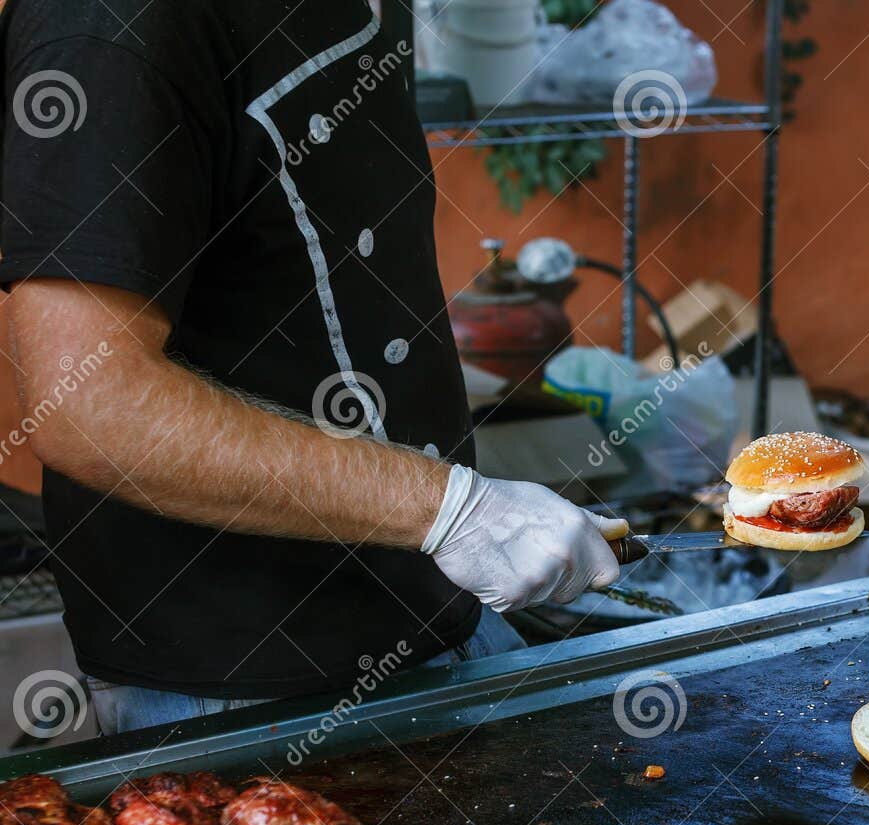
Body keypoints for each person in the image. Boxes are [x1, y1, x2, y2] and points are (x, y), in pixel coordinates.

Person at [0, 1, 625, 735]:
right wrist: (453, 510)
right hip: (242, 683)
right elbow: (93, 406)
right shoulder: (109, 26)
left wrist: (457, 522)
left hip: (434, 608)